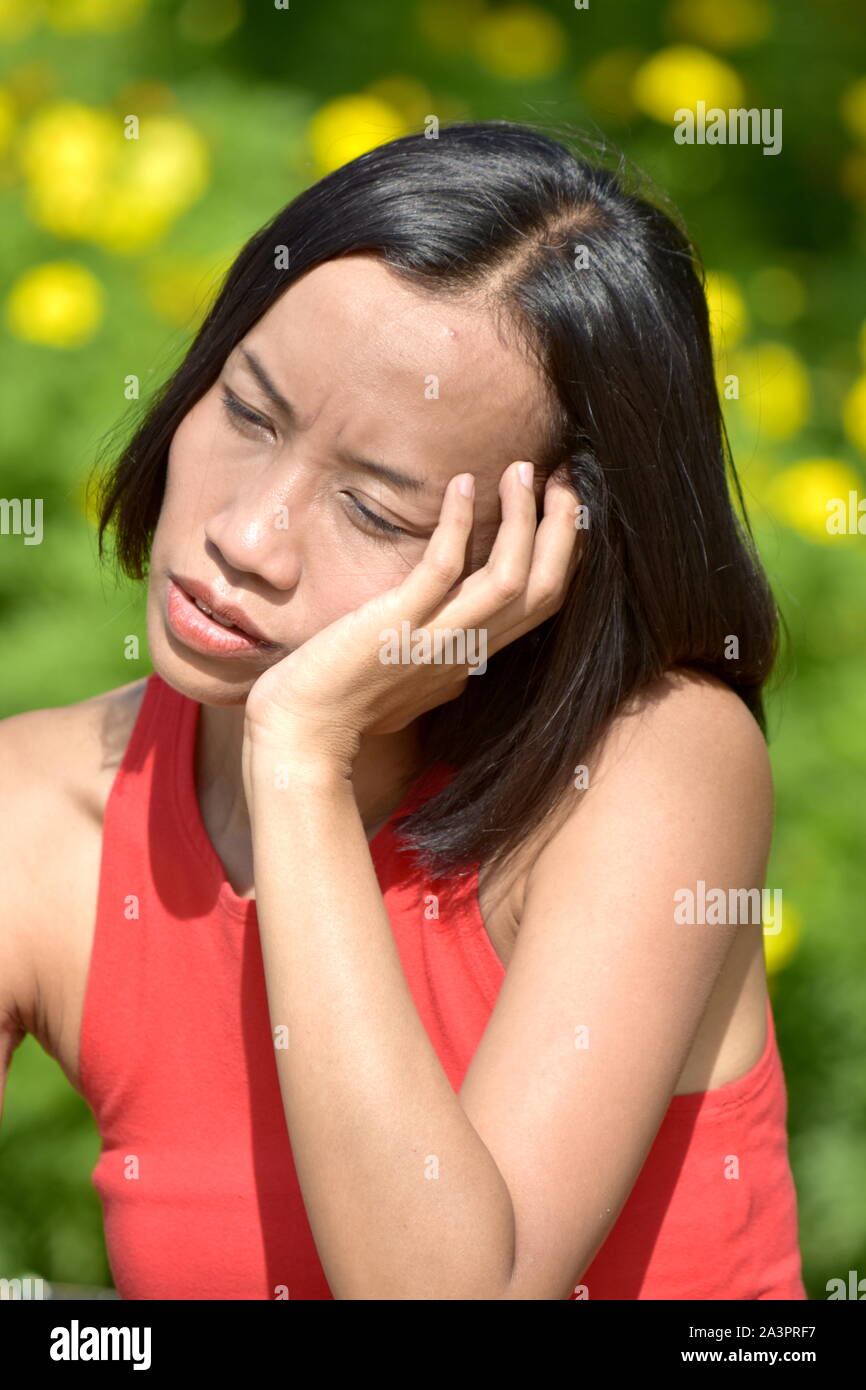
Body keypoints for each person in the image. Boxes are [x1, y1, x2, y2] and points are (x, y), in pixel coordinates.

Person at [0, 121, 806, 1299]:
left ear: (540, 555)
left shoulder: (654, 763)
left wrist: (297, 759)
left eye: (375, 512)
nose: (245, 537)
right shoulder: (38, 810)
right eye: (249, 414)